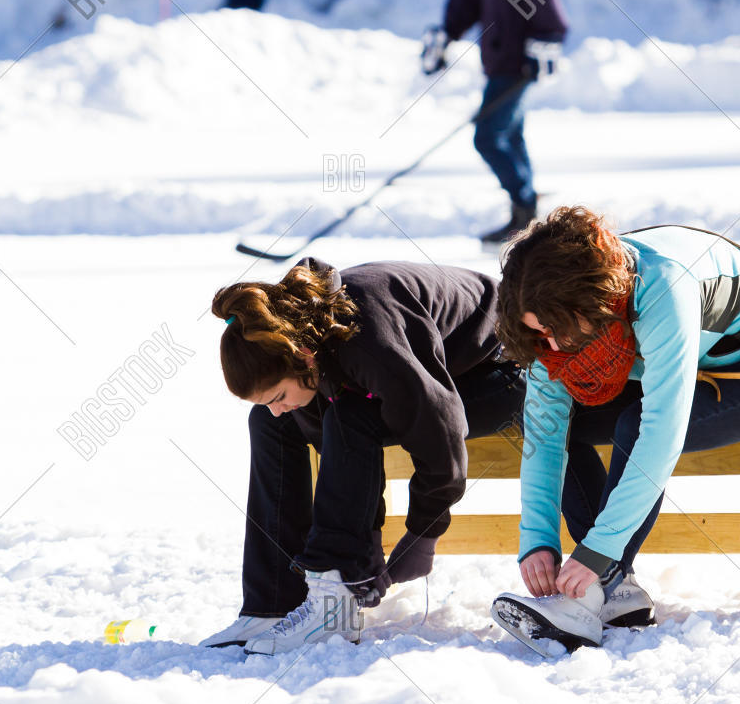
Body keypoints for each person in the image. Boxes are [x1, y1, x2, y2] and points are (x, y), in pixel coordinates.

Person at [488, 209, 740, 656]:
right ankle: (617, 593)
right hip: (692, 366)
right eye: (538, 333)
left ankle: (595, 588)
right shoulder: (563, 321)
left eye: (555, 328)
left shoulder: (663, 288)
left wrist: (597, 551)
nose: (554, 346)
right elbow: (545, 431)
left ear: (584, 299)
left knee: (636, 423)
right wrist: (537, 539)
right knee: (560, 421)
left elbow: (661, 429)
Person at [203, 257, 550, 654]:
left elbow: (439, 424)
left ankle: (332, 597)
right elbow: (332, 443)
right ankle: (273, 604)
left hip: (511, 366)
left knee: (352, 413)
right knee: (269, 424)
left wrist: (424, 531)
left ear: (302, 355)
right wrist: (365, 540)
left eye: (278, 396)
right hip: (441, 372)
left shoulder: (367, 341)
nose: (278, 405)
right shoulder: (316, 333)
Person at [428, 0, 568, 242]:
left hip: (516, 61)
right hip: (497, 56)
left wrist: (547, 40)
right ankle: (528, 219)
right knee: (510, 133)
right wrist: (446, 34)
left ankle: (526, 213)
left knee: (488, 135)